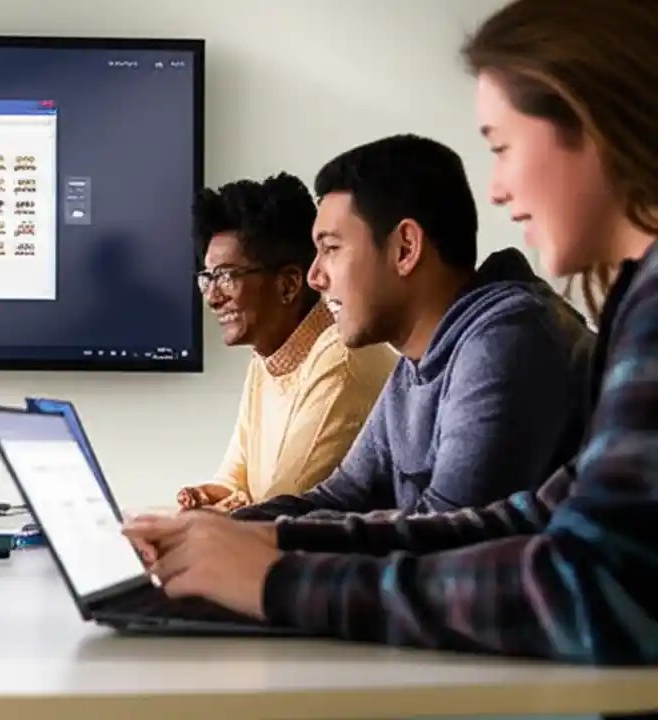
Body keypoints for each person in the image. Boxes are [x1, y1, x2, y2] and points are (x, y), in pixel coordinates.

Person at [124, 0, 658, 665]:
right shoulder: (438, 353)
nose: (495, 189)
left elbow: (591, 587)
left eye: (502, 147)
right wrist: (259, 538)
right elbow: (528, 518)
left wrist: (276, 580)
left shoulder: (517, 335)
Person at [230, 134, 593, 521]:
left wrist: (268, 538)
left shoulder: (506, 340)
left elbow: (446, 533)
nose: (314, 276)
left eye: (331, 248)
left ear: (405, 248)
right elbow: (341, 495)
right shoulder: (419, 361)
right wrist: (216, 530)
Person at [175, 174, 395, 511]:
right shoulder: (267, 355)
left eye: (226, 277)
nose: (212, 298)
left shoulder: (341, 363)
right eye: (208, 278)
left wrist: (216, 516)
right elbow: (234, 478)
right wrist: (210, 499)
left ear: (289, 285)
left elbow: (282, 511)